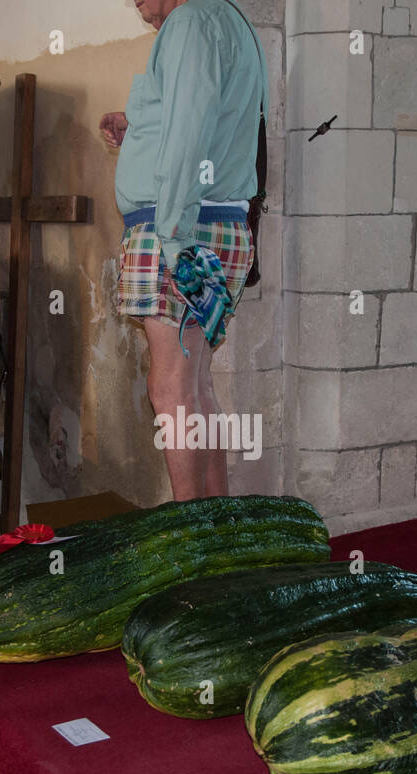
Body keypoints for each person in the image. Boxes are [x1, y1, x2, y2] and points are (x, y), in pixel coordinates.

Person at [102, 0, 267, 500]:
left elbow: (188, 134)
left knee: (171, 387)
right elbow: (202, 124)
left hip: (178, 229)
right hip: (217, 221)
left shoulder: (191, 21)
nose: (136, 5)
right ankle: (214, 523)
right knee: (195, 385)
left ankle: (188, 526)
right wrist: (140, 133)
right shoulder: (227, 18)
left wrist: (175, 241)